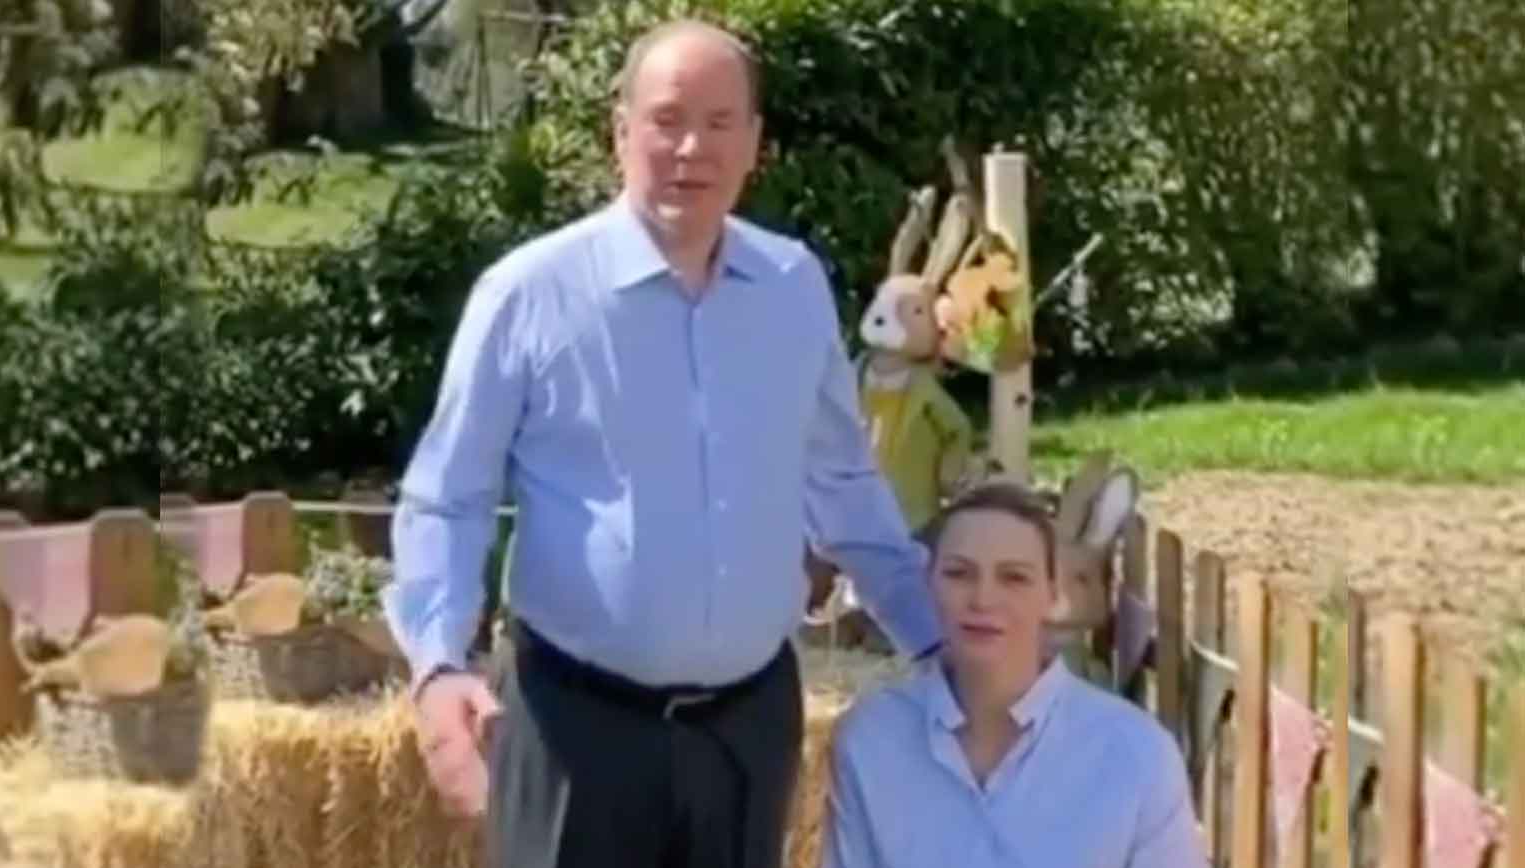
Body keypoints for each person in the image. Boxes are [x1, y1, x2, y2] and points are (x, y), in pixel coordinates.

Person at [380, 18, 943, 868]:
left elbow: (840, 480)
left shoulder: (792, 288)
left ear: (755, 143)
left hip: (747, 730)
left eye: (721, 123)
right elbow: (448, 495)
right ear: (621, 132)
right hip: (577, 728)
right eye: (667, 119)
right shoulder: (529, 294)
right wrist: (436, 663)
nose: (692, 147)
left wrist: (936, 642)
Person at [821, 482, 1209, 868]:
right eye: (959, 573)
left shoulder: (1135, 755)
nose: (983, 599)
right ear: (928, 584)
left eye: (1014, 578)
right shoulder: (871, 741)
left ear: (1053, 595)